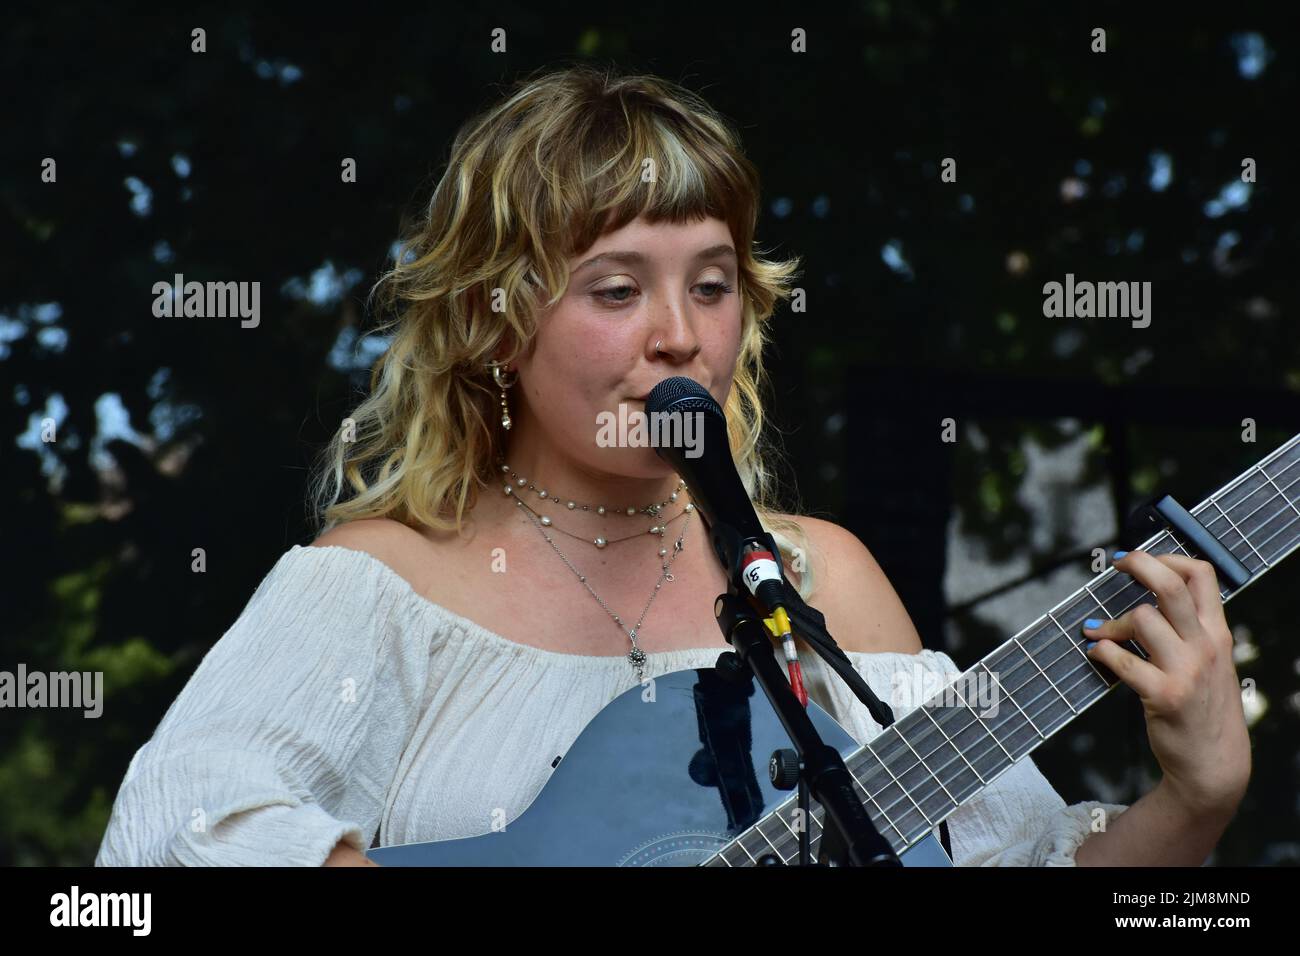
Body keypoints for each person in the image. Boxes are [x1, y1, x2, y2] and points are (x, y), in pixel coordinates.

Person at [95, 64, 1249, 868]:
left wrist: (1192, 802)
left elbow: (1013, 859)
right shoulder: (377, 584)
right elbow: (171, 832)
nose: (678, 332)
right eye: (615, 288)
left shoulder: (821, 578)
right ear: (499, 322)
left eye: (710, 283)